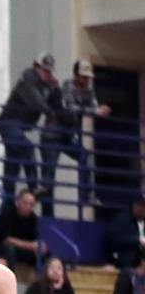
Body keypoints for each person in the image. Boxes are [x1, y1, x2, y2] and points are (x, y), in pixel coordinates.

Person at [42, 60, 110, 200]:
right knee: (48, 176)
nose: (86, 80)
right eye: (84, 77)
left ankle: (86, 195)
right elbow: (70, 107)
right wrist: (95, 111)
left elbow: (93, 106)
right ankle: (46, 208)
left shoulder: (88, 90)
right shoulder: (68, 86)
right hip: (52, 135)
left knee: (85, 156)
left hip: (67, 135)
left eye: (88, 77)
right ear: (76, 75)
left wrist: (99, 110)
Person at [0, 54, 59, 200]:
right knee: (27, 148)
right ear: (37, 67)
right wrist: (50, 111)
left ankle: (8, 201)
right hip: (8, 123)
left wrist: (56, 88)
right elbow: (36, 103)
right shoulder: (28, 80)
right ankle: (33, 187)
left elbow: (57, 104)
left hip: (15, 125)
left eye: (49, 71)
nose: (47, 74)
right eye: (44, 70)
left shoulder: (46, 86)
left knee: (13, 163)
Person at [0, 188, 44, 269]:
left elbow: (34, 240)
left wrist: (39, 246)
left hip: (19, 249)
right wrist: (31, 245)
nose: (28, 206)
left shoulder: (33, 218)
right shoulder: (7, 213)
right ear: (17, 201)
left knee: (43, 254)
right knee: (9, 250)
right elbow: (6, 240)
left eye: (31, 204)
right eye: (25, 202)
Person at [105, 196, 145, 270]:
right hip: (124, 261)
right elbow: (114, 240)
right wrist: (138, 241)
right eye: (140, 205)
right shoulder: (122, 219)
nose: (143, 209)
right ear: (134, 205)